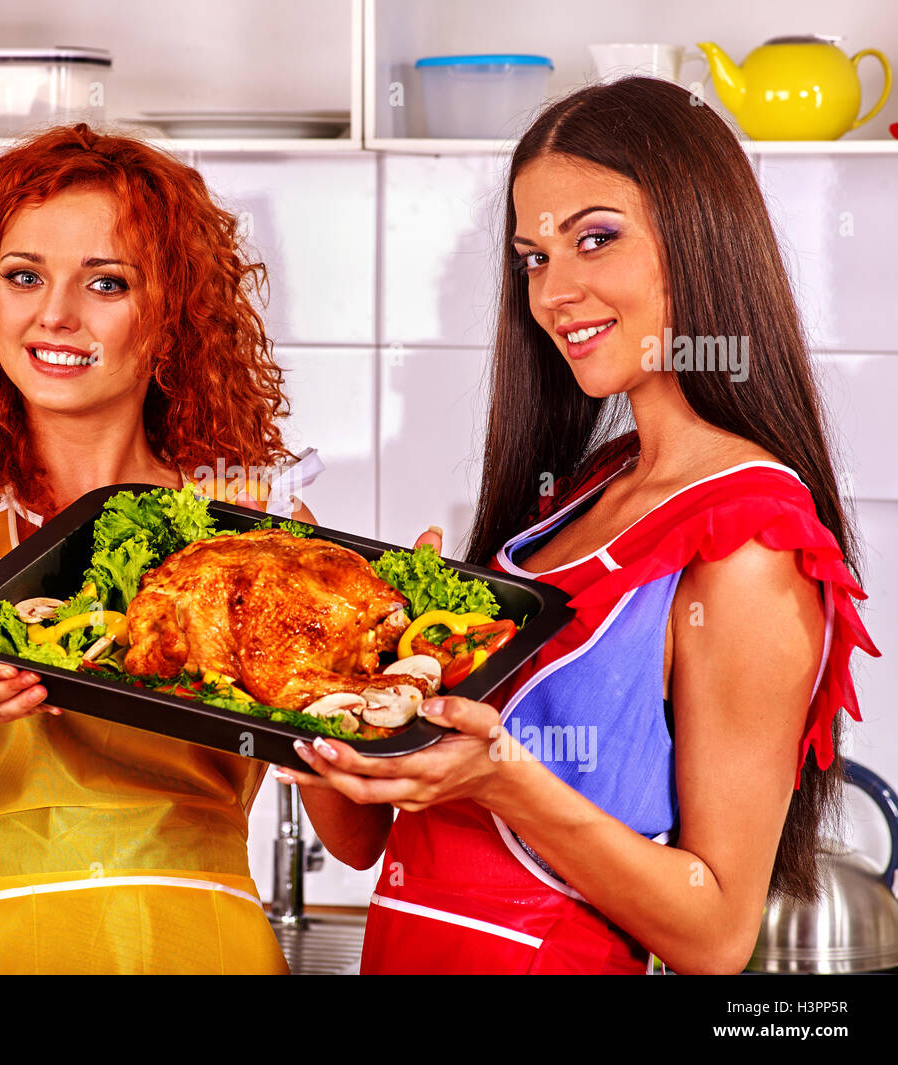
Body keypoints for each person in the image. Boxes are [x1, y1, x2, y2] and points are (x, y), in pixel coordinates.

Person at [280, 77, 880, 975]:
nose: (555, 291)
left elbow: (715, 935)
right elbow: (366, 838)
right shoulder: (575, 497)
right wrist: (310, 647)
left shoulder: (751, 536)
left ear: (699, 236)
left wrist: (504, 778)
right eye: (533, 257)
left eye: (594, 238)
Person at [0, 124, 316, 974]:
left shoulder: (256, 524)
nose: (55, 314)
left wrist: (326, 680)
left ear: (173, 315)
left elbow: (358, 837)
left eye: (106, 282)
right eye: (24, 276)